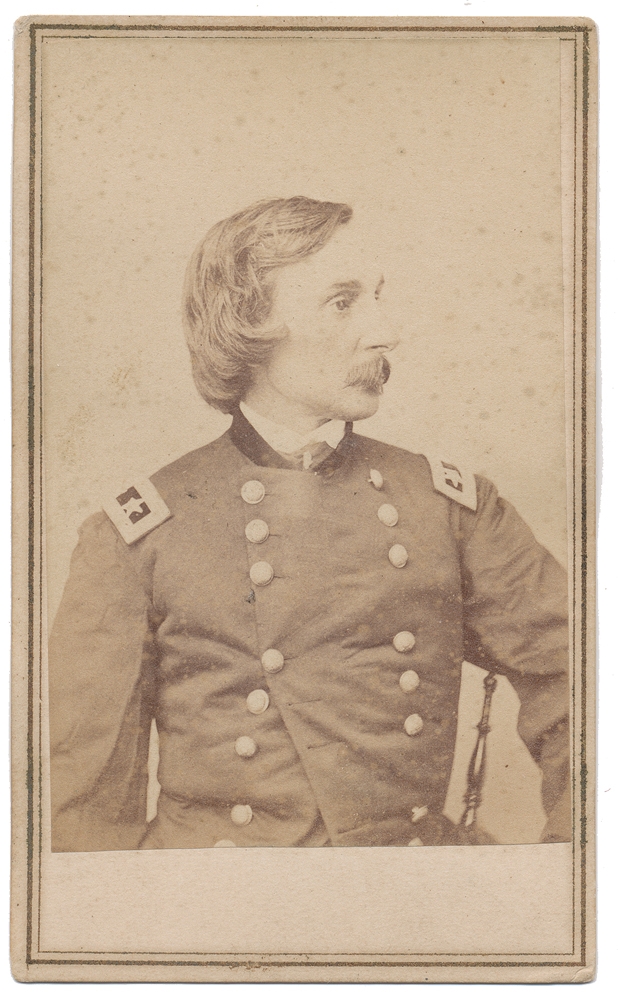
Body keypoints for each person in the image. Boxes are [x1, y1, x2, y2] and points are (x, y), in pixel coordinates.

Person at [49, 196, 570, 852]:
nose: (386, 331)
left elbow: (583, 670)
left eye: (377, 297)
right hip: (217, 903)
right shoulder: (139, 535)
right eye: (343, 302)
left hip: (414, 892)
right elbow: (84, 810)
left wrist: (576, 871)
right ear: (249, 323)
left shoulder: (449, 508)